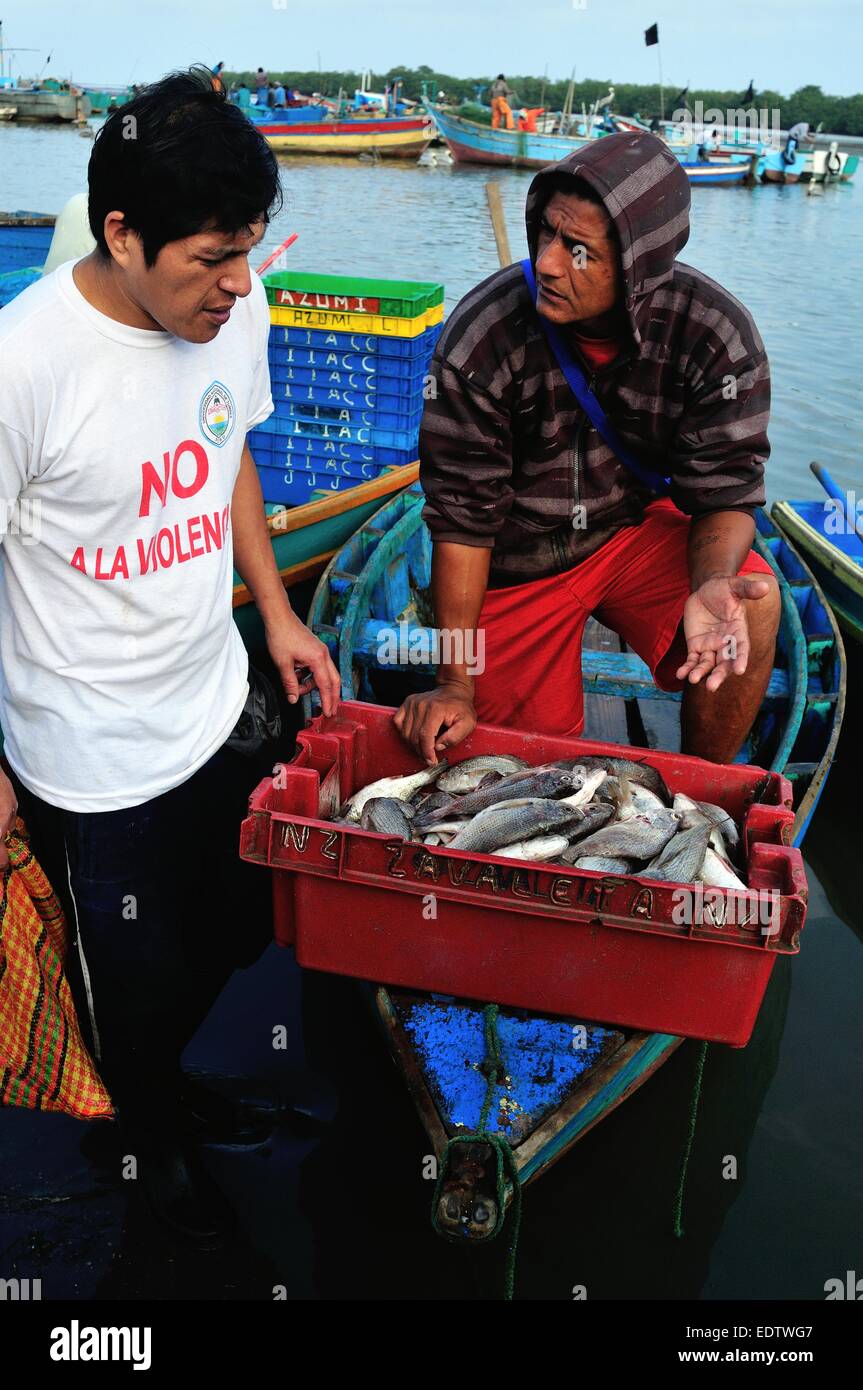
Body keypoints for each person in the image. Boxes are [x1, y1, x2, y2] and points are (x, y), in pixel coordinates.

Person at [0, 67, 341, 1246]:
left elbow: (233, 451)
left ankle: (158, 1089)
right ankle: (147, 1154)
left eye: (247, 249)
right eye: (210, 257)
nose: (239, 283)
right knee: (129, 997)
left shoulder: (232, 308)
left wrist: (277, 616)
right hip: (91, 767)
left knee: (233, 929)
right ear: (120, 233)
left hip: (217, 699)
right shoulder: (25, 365)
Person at [395, 133, 780, 767]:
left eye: (578, 251)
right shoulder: (484, 335)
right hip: (515, 560)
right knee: (527, 770)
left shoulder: (713, 336)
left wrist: (711, 580)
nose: (547, 262)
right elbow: (463, 523)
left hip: (633, 533)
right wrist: (454, 684)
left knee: (751, 613)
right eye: (546, 234)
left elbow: (727, 493)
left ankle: (703, 788)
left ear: (637, 267)